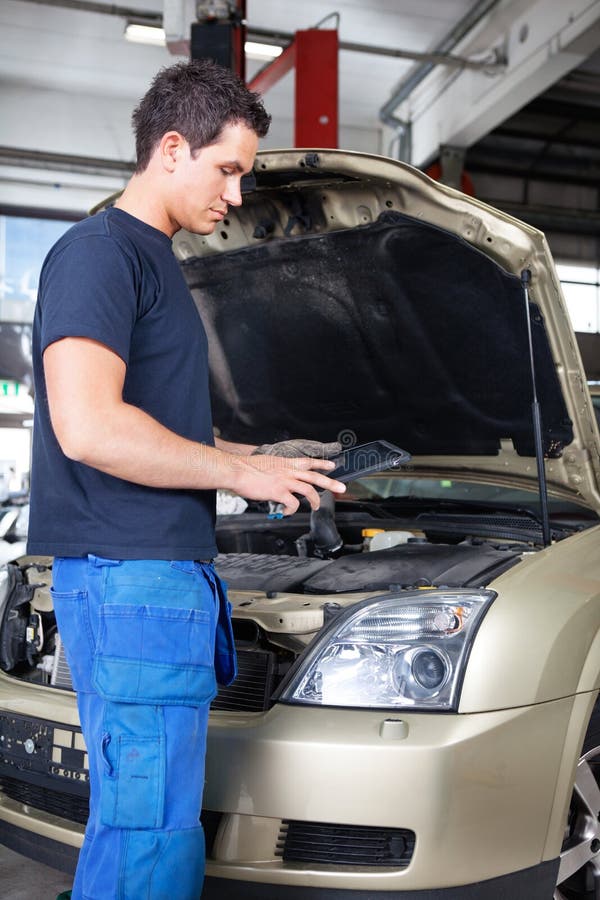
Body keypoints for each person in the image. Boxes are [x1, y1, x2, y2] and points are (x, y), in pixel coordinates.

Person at [27, 59, 345, 900]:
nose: (237, 196)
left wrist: (259, 456)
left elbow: (162, 428)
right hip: (130, 578)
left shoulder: (155, 261)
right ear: (172, 147)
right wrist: (238, 469)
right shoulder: (99, 255)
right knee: (152, 837)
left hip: (156, 580)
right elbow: (90, 426)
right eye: (228, 169)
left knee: (139, 823)